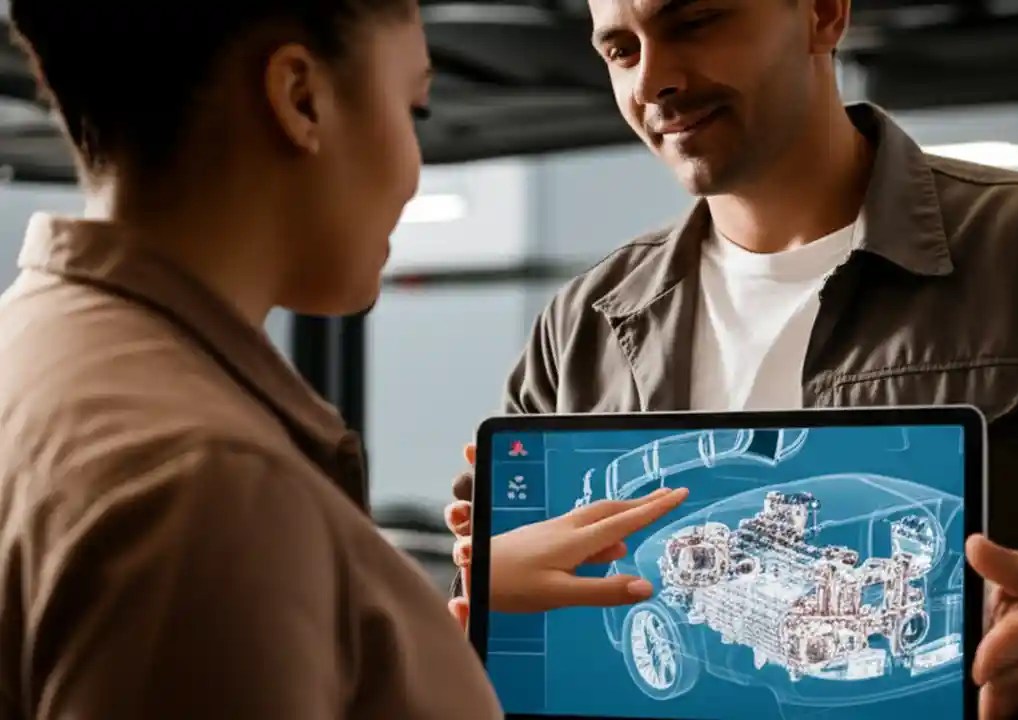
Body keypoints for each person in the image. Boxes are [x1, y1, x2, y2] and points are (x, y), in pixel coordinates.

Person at [444, 0, 1018, 718]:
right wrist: (482, 584)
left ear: (823, 11)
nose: (652, 80)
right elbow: (513, 617)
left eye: (695, 21)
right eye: (620, 49)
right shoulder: (587, 323)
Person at [0, 1, 687, 717]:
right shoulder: (215, 487)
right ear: (300, 98)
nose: (415, 168)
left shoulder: (34, 351)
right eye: (413, 108)